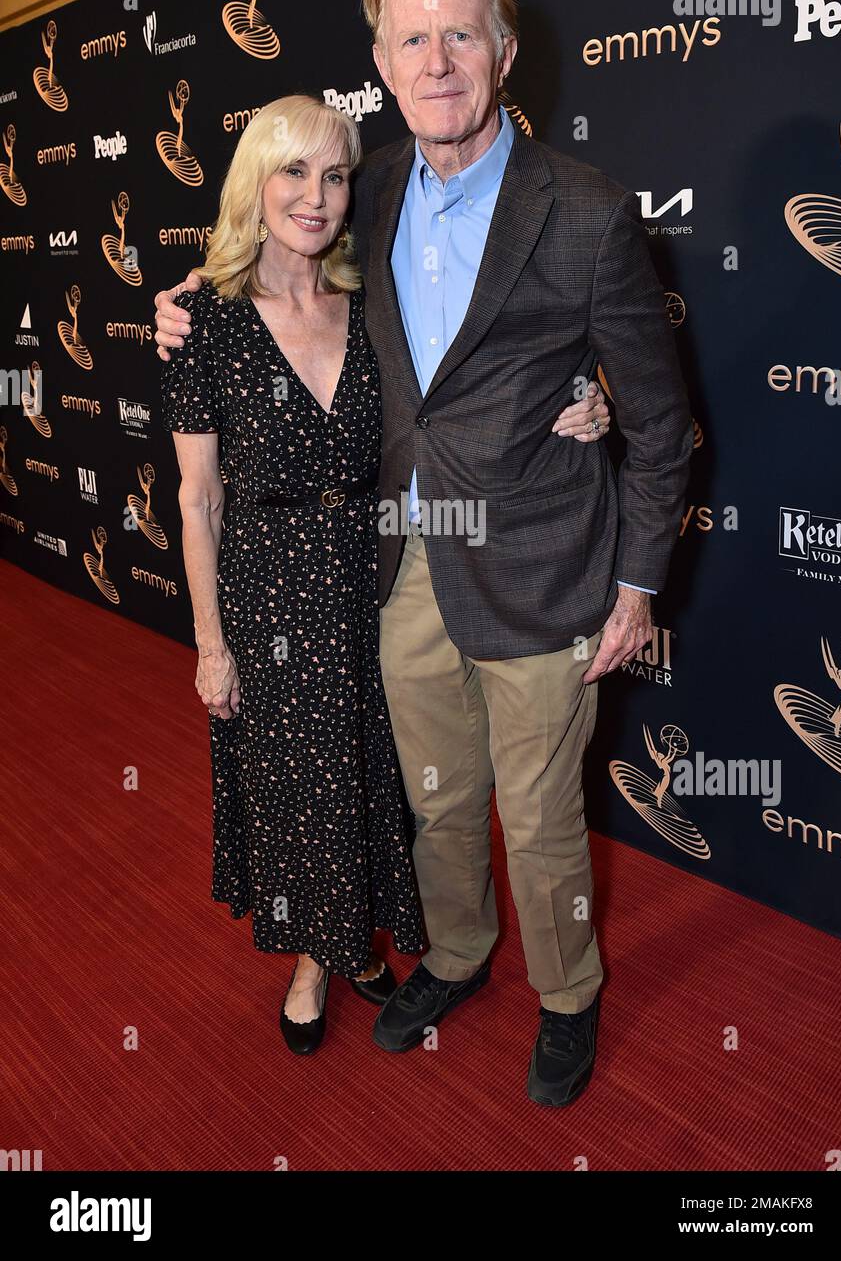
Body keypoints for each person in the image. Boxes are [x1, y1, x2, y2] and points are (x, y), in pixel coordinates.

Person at [158, 89, 609, 1061]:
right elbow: (195, 498)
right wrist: (207, 641)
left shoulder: (372, 298)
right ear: (253, 182)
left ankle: (484, 971)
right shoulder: (203, 319)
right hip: (270, 587)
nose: (315, 195)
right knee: (302, 783)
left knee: (384, 781)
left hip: (377, 573)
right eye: (290, 171)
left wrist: (592, 389)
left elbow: (498, 358)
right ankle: (322, 958)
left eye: (331, 174)